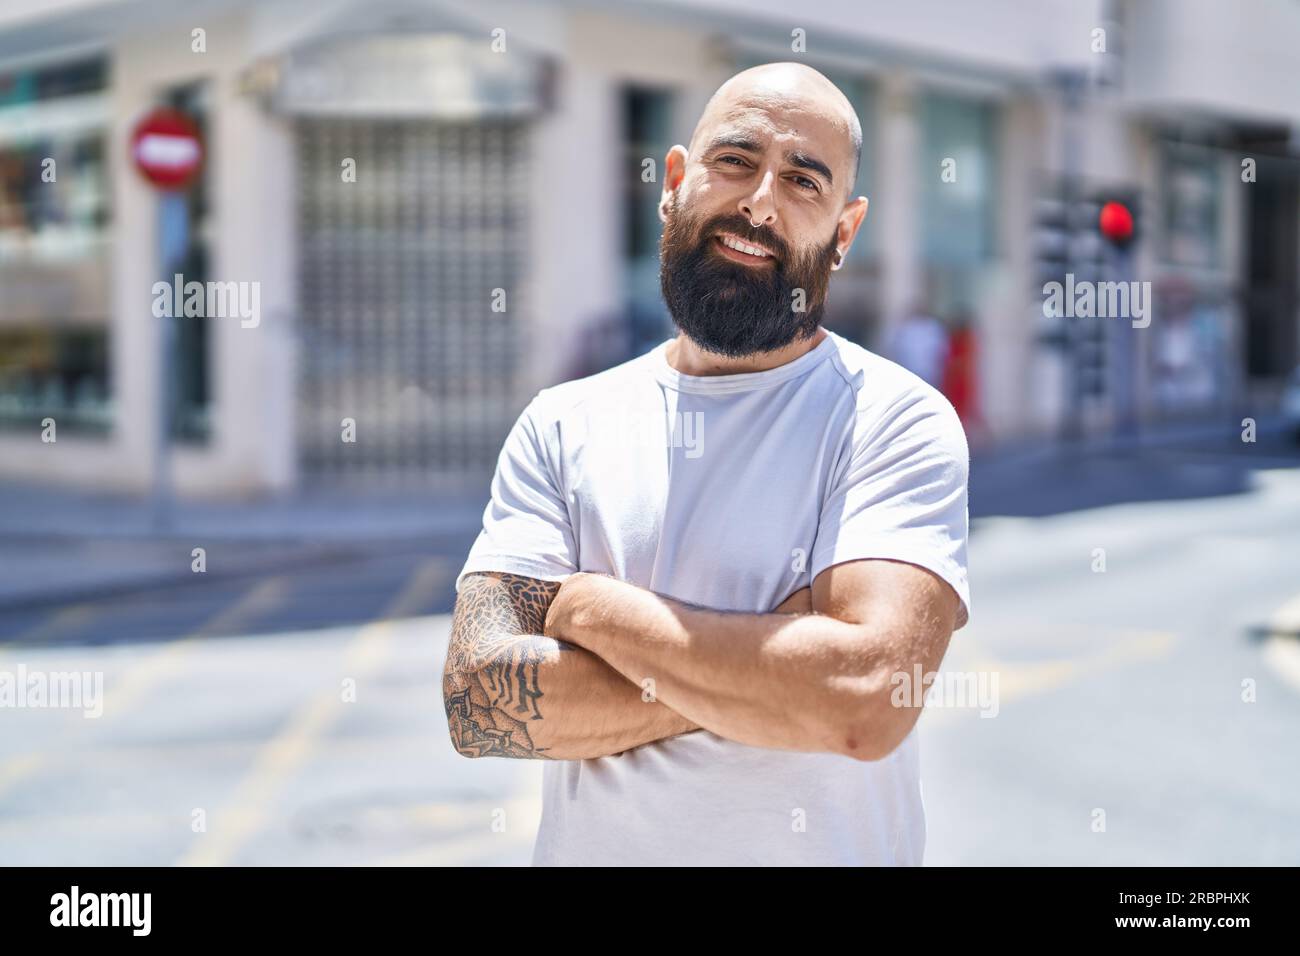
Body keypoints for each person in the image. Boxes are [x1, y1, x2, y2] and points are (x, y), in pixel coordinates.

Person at [443, 62, 971, 866]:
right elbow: (478, 703)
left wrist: (592, 613)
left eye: (803, 181)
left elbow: (863, 703)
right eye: (736, 161)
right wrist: (780, 661)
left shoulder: (892, 420)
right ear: (677, 181)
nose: (760, 202)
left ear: (844, 230)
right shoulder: (562, 425)